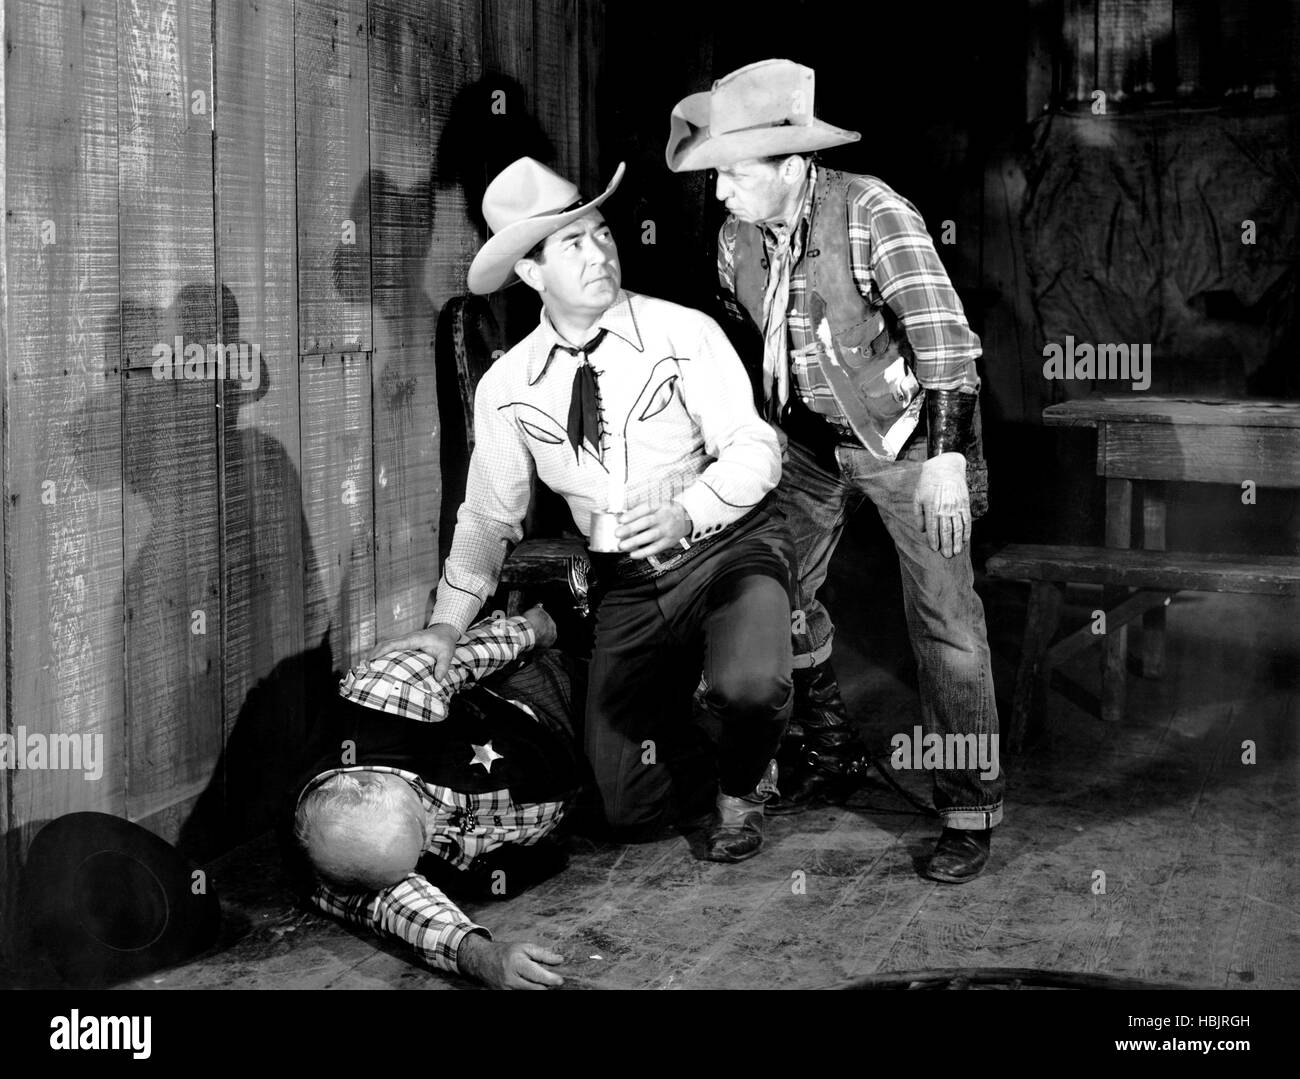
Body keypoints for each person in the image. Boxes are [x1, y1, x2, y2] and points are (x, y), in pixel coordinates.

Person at [372, 156, 795, 863]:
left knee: (751, 685)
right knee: (627, 808)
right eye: (574, 245)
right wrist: (447, 627)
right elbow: (485, 519)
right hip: (629, 581)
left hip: (727, 550)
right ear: (532, 273)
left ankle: (742, 784)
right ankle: (708, 726)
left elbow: (757, 450)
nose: (601, 253)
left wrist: (689, 509)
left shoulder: (681, 333)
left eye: (602, 233)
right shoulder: (510, 386)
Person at [667, 59, 1003, 882]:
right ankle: (831, 744)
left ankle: (968, 807)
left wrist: (949, 459)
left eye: (734, 176)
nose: (721, 193)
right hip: (806, 441)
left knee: (948, 625)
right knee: (777, 590)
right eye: (716, 176)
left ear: (791, 166)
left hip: (912, 440)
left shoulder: (871, 212)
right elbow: (751, 336)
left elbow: (947, 343)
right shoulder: (735, 238)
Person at [286, 604, 583, 990]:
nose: (439, 832)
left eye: (422, 820)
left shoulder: (384, 696)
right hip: (579, 809)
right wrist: (482, 956)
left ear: (373, 780)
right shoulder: (334, 868)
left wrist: (538, 625)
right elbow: (401, 912)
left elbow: (464, 655)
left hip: (547, 704)